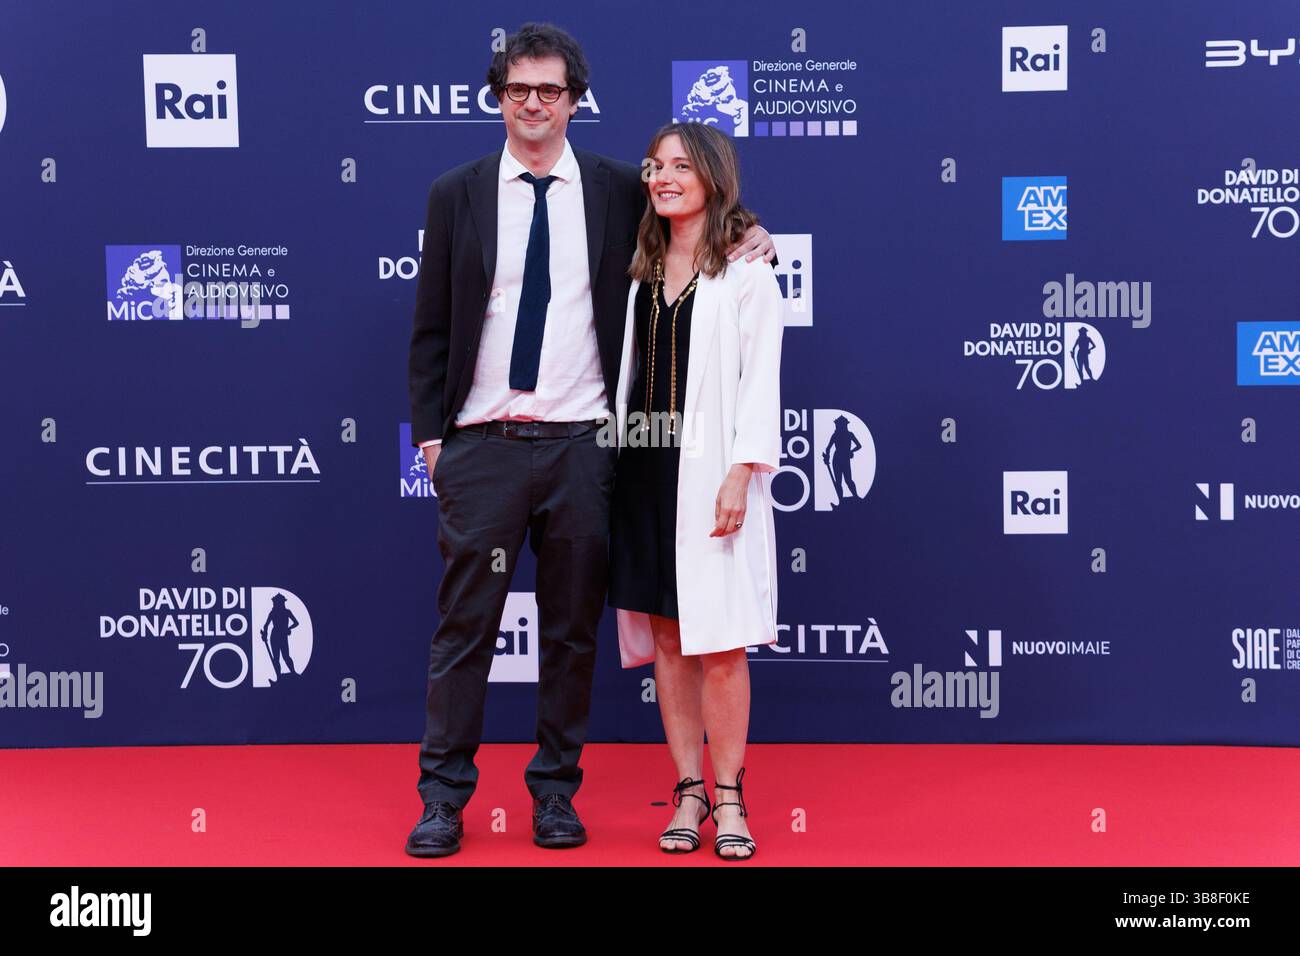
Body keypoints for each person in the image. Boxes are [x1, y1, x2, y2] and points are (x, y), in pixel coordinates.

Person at [405, 22, 775, 858]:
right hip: (483, 445)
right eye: (517, 90)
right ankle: (442, 800)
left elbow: (702, 214)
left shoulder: (618, 187)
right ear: (497, 97)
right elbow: (430, 328)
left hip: (584, 448)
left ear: (576, 99)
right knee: (464, 630)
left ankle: (555, 796)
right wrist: (433, 440)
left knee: (573, 632)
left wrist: (756, 230)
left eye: (550, 90)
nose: (533, 104)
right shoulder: (453, 193)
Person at [608, 122, 784, 860]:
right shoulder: (639, 260)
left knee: (722, 643)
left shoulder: (747, 271)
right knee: (672, 640)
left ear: (714, 176)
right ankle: (687, 793)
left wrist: (742, 471)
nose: (664, 177)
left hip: (712, 471)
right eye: (656, 166)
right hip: (641, 470)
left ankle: (732, 798)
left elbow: (761, 381)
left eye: (683, 166)